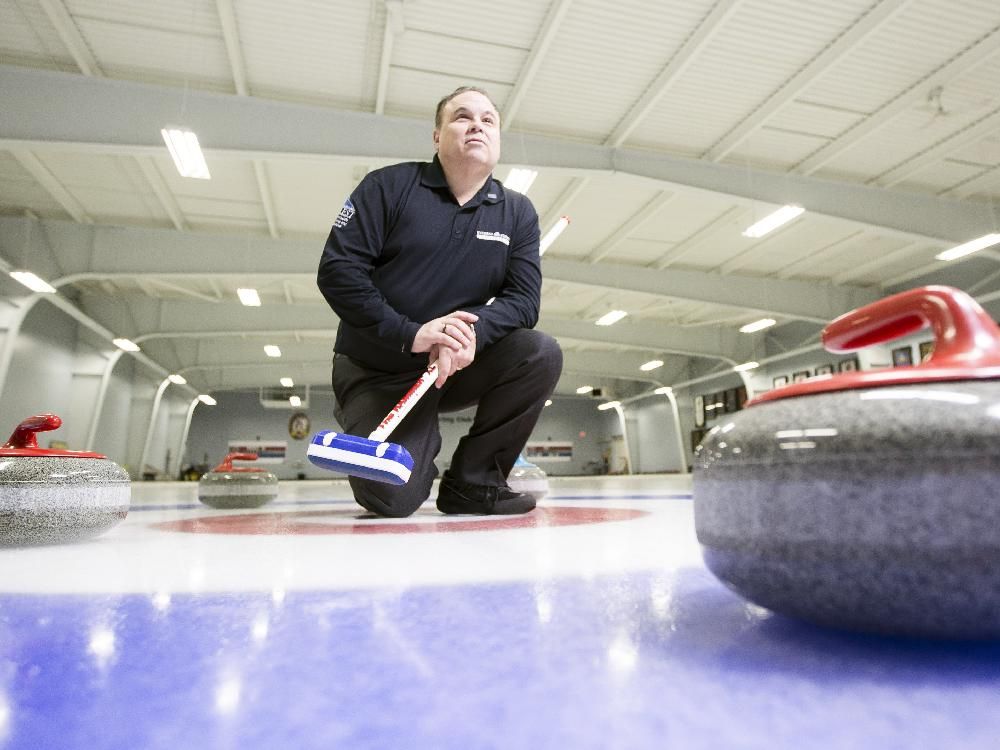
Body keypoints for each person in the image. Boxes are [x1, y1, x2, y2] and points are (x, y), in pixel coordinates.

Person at [317, 86, 563, 518]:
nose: (477, 126)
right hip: (376, 369)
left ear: (498, 139)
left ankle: (474, 481)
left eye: (488, 120)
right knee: (390, 498)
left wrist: (468, 332)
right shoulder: (387, 187)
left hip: (449, 368)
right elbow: (338, 272)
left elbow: (524, 301)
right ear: (437, 136)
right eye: (462, 117)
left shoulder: (517, 212)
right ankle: (401, 438)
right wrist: (410, 334)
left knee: (538, 353)